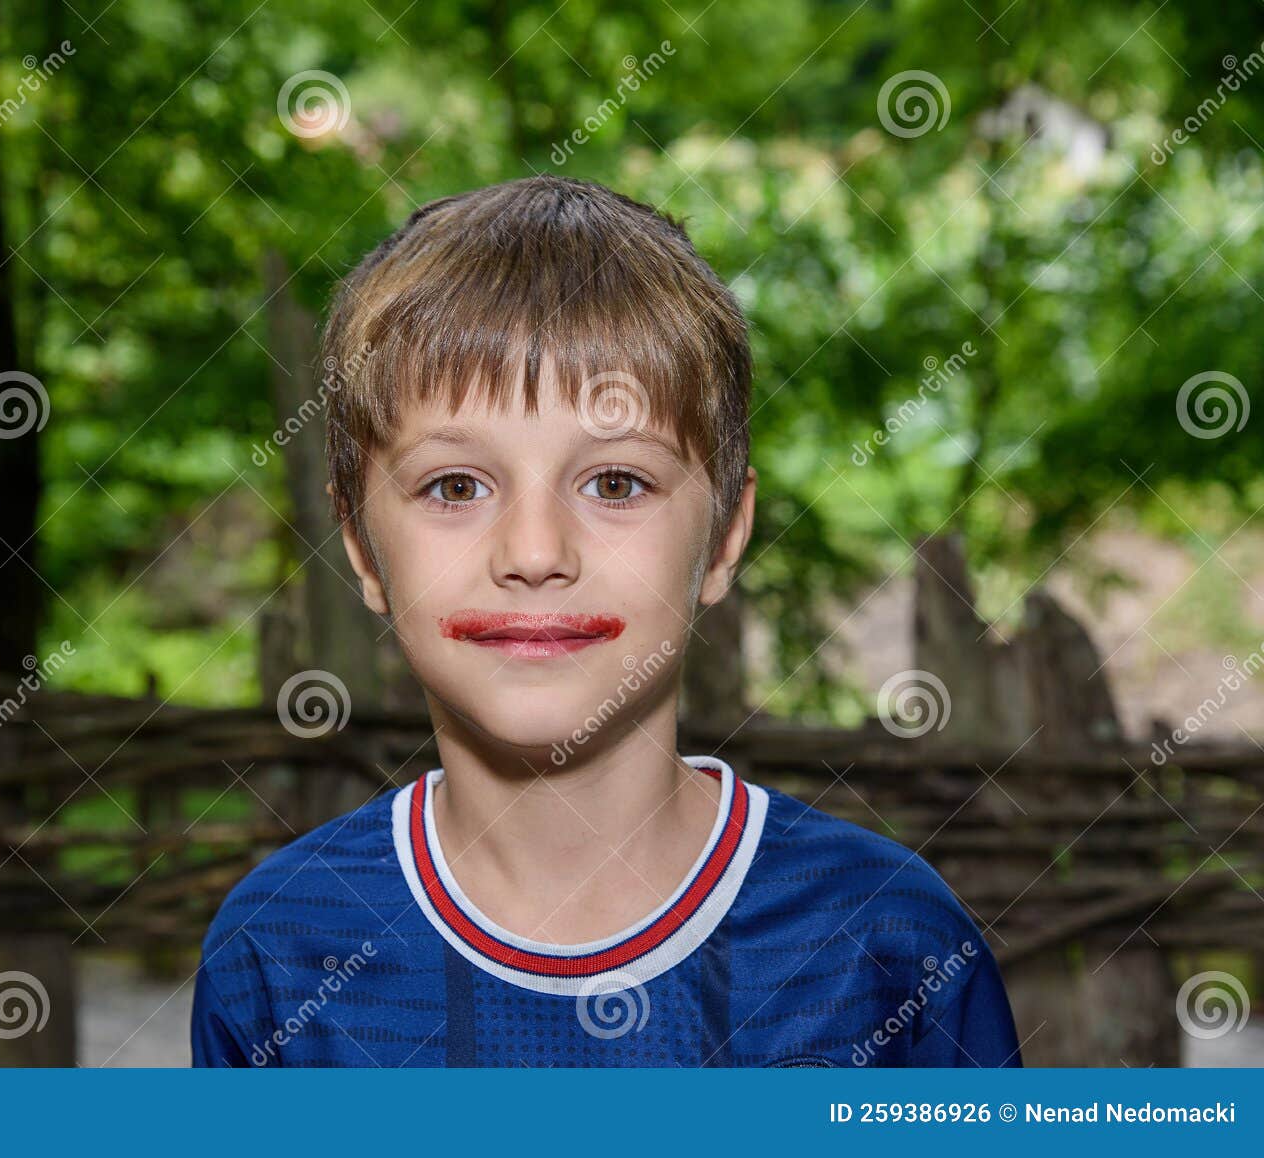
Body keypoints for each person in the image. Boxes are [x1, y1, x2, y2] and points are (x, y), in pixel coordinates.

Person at [191, 174, 1021, 1067]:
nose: (537, 550)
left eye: (616, 483)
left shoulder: (890, 945)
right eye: (456, 486)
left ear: (723, 536)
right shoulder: (276, 956)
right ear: (359, 544)